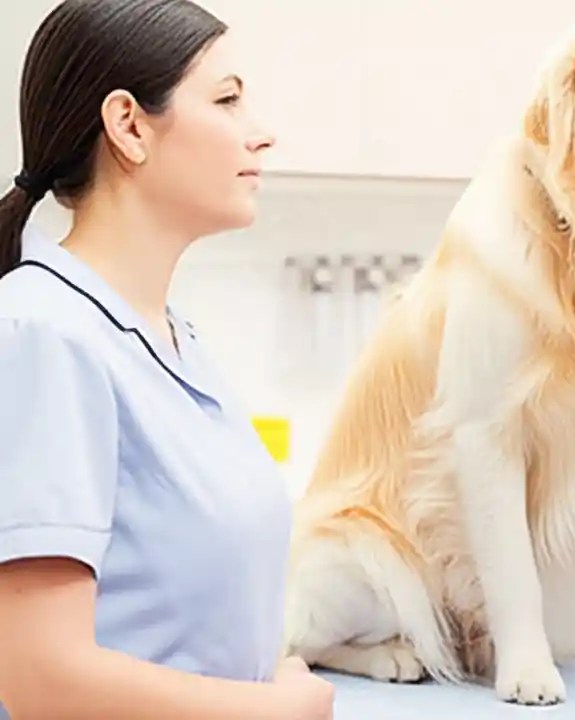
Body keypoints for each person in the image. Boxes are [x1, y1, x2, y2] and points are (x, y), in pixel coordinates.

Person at [0, 1, 333, 718]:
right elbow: (38, 680)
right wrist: (281, 710)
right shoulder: (43, 333)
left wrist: (277, 665)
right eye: (227, 100)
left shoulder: (172, 337)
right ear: (128, 127)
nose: (262, 134)